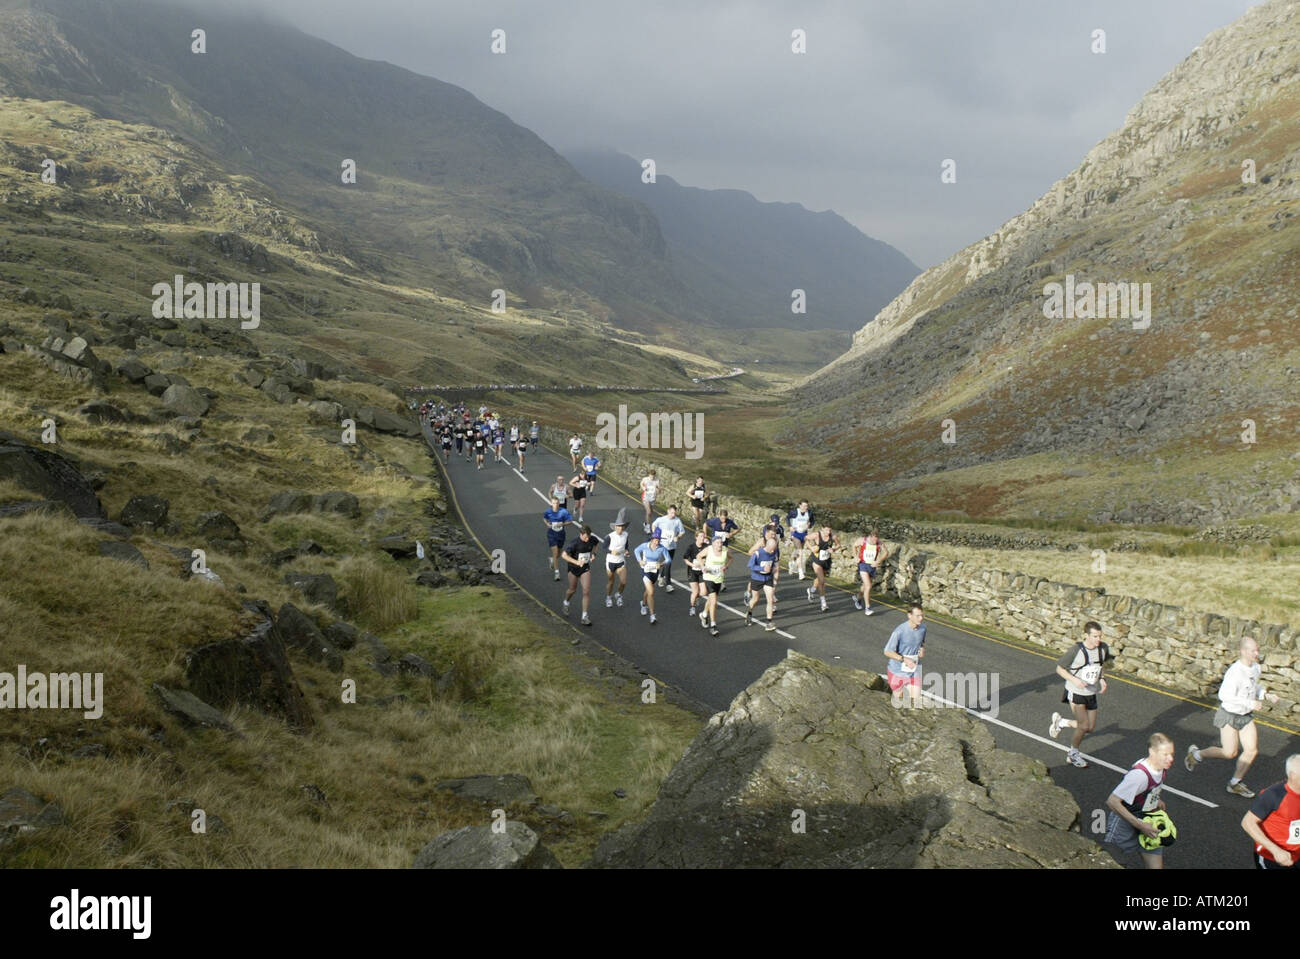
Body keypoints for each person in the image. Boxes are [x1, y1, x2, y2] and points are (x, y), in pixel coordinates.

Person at [1185, 636, 1281, 797]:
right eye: (1253, 650)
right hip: (1229, 715)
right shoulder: (1235, 672)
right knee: (1230, 752)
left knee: (1251, 750)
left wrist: (1266, 695)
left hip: (1245, 716)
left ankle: (1234, 783)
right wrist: (1250, 703)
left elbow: (1253, 686)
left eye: (1257, 649)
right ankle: (1196, 754)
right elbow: (1224, 696)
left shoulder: (1256, 667)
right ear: (1243, 651)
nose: (1257, 653)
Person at [1104, 733, 1176, 870]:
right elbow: (1112, 802)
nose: (1170, 759)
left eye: (1172, 754)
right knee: (1111, 862)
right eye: (1165, 754)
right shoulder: (1139, 776)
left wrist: (1156, 799)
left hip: (1148, 819)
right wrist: (1141, 826)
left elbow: (1148, 788)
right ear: (1152, 752)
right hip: (1124, 824)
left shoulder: (1160, 767)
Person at [1049, 621, 1111, 769]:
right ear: (1086, 635)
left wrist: (1102, 679)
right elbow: (1059, 668)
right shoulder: (1075, 650)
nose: (1098, 639)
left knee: (1090, 728)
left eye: (1100, 636)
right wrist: (1074, 680)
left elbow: (1101, 666)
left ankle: (1061, 722)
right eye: (1095, 636)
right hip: (1076, 691)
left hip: (1091, 692)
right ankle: (1073, 754)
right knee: (1083, 726)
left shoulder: (1103, 648)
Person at [1241, 754, 1300, 869]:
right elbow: (1247, 822)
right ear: (1293, 775)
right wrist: (1276, 850)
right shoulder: (1274, 795)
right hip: (1274, 857)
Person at [885, 603, 926, 707]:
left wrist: (921, 649)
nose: (921, 618)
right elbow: (887, 651)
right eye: (918, 616)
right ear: (909, 615)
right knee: (899, 704)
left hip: (914, 670)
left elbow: (921, 643)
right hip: (897, 671)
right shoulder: (899, 631)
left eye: (922, 615)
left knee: (915, 703)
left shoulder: (923, 628)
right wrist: (904, 659)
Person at [561, 525, 600, 626]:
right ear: (581, 534)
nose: (587, 539)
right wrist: (576, 562)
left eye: (589, 537)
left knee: (586, 591)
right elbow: (564, 555)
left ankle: (584, 616)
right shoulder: (574, 543)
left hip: (585, 568)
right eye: (585, 537)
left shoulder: (592, 539)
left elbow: (596, 545)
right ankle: (566, 602)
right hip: (573, 569)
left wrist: (594, 555)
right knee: (572, 589)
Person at [744, 533, 780, 631]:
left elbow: (775, 564)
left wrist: (774, 571)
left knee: (770, 599)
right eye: (771, 549)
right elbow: (750, 565)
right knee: (755, 599)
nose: (772, 551)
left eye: (774, 548)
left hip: (768, 578)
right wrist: (762, 568)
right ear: (766, 546)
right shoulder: (758, 553)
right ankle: (749, 612)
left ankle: (769, 622)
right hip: (757, 578)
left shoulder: (774, 552)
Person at [634, 533, 671, 625]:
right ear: (651, 539)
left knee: (648, 590)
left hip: (655, 571)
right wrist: (640, 561)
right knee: (651, 592)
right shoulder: (645, 546)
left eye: (658, 540)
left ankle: (643, 604)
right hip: (645, 571)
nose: (657, 542)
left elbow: (668, 559)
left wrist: (661, 564)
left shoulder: (662, 548)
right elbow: (636, 551)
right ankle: (652, 615)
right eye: (655, 540)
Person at [697, 534, 729, 636]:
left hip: (719, 578)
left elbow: (731, 559)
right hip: (708, 577)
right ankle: (713, 625)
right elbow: (699, 556)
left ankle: (704, 614)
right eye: (717, 543)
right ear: (713, 543)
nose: (720, 544)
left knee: (711, 600)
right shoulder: (709, 550)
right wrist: (702, 566)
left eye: (721, 542)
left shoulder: (725, 550)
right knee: (714, 601)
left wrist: (726, 566)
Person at [852, 529, 888, 615]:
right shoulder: (863, 540)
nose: (875, 542)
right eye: (874, 540)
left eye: (876, 540)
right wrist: (856, 556)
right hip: (863, 565)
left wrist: (878, 561)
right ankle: (867, 608)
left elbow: (886, 553)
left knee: (865, 587)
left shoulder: (879, 543)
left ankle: (858, 598)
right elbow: (854, 546)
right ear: (870, 537)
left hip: (872, 567)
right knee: (868, 586)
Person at [651, 505, 685, 593]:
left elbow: (682, 532)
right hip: (661, 545)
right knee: (668, 563)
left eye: (674, 513)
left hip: (672, 546)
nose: (673, 515)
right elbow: (654, 525)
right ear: (668, 511)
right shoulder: (661, 519)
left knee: (667, 563)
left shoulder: (677, 521)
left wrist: (678, 537)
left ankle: (661, 577)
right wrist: (656, 535)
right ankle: (669, 584)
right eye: (672, 512)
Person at [806, 524, 839, 612]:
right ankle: (823, 604)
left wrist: (834, 549)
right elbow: (806, 538)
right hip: (816, 560)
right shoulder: (817, 535)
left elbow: (838, 545)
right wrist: (811, 548)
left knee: (820, 579)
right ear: (822, 529)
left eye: (830, 530)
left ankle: (811, 590)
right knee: (822, 581)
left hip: (826, 560)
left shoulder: (833, 536)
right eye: (827, 530)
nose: (828, 532)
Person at [542, 497, 573, 581]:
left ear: (559, 503)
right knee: (555, 552)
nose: (555, 505)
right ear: (551, 504)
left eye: (557, 503)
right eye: (554, 503)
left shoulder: (563, 511)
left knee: (558, 553)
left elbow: (570, 521)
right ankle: (557, 573)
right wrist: (547, 524)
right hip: (551, 534)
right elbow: (544, 518)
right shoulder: (548, 512)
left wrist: (563, 524)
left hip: (561, 535)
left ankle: (552, 559)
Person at [605, 509, 630, 608]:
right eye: (618, 526)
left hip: (621, 561)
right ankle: (608, 597)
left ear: (624, 527)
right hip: (611, 562)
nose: (620, 528)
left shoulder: (626, 535)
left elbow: (626, 545)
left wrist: (627, 550)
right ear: (615, 527)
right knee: (611, 581)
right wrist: (611, 552)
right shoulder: (609, 537)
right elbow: (604, 548)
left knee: (623, 582)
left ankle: (618, 595)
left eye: (621, 526)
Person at [681, 529, 709, 619]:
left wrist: (704, 562)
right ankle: (692, 607)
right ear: (696, 537)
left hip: (701, 572)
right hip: (692, 571)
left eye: (703, 536)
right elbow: (685, 558)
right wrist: (692, 564)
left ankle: (697, 597)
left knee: (704, 592)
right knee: (695, 591)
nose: (702, 538)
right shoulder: (691, 547)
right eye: (700, 536)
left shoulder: (706, 547)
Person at [786, 500, 814, 580]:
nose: (806, 507)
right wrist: (790, 526)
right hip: (795, 534)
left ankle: (792, 563)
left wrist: (809, 525)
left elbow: (813, 520)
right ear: (800, 505)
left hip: (804, 534)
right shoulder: (794, 512)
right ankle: (800, 573)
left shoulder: (809, 513)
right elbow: (787, 518)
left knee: (797, 552)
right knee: (800, 552)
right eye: (804, 506)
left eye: (807, 506)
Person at [640, 469, 660, 534]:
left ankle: (646, 523)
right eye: (651, 476)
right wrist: (643, 488)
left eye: (653, 476)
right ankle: (648, 527)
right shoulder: (645, 479)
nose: (652, 477)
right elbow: (641, 484)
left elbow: (659, 490)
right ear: (649, 475)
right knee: (648, 512)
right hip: (646, 497)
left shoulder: (657, 481)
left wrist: (658, 489)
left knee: (651, 513)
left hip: (652, 499)